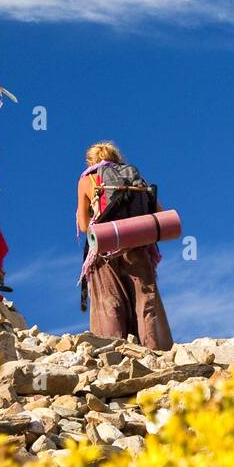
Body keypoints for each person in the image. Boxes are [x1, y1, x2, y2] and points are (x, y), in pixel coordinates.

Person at [76, 141, 173, 350]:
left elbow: (84, 226)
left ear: (91, 161)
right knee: (144, 299)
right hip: (137, 244)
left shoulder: (88, 179)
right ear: (117, 158)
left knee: (111, 301)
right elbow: (160, 212)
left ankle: (114, 352)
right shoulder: (135, 179)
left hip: (105, 246)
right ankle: (154, 350)